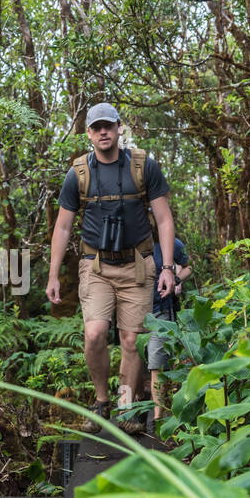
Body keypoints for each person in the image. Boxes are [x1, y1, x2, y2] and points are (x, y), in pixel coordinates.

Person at [46, 102, 176, 434]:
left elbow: (163, 218)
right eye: (96, 127)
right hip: (97, 266)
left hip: (138, 265)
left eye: (108, 126)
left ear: (119, 128)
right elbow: (62, 228)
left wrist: (168, 267)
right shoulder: (78, 174)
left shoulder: (143, 166)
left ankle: (126, 406)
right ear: (88, 133)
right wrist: (54, 275)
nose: (103, 132)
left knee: (132, 341)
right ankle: (101, 403)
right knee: (94, 333)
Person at [146, 236, 193, 426]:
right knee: (132, 360)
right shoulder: (128, 240)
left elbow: (189, 265)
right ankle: (128, 410)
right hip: (132, 311)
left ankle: (158, 417)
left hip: (161, 310)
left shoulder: (170, 243)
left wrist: (176, 279)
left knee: (157, 365)